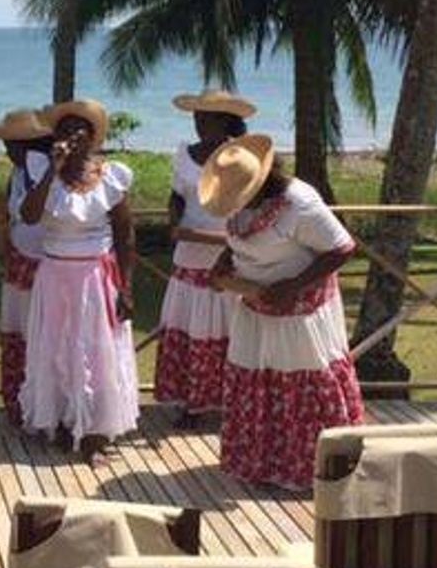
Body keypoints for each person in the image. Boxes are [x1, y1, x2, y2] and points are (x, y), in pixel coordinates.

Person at [201, 134, 364, 491]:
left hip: (297, 314)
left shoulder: (298, 203)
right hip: (255, 307)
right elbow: (237, 242)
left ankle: (311, 468)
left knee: (302, 384)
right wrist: (223, 266)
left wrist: (293, 287)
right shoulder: (237, 202)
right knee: (257, 383)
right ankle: (262, 463)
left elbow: (342, 248)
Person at [19, 99, 140, 465]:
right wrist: (51, 172)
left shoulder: (112, 175)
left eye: (80, 130)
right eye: (65, 130)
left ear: (92, 137)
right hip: (56, 276)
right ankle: (59, 420)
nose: (72, 136)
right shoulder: (43, 170)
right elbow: (28, 216)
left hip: (96, 277)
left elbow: (125, 234)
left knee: (96, 352)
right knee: (56, 348)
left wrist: (127, 286)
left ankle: (93, 432)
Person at [154, 91, 255, 426]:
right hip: (189, 257)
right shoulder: (184, 154)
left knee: (227, 333)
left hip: (228, 256)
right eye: (197, 119)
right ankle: (191, 403)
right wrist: (174, 220)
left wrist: (220, 239)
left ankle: (232, 404)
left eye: (207, 120)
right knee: (189, 330)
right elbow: (177, 196)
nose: (200, 126)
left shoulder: (240, 158)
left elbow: (248, 210)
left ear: (225, 122)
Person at [0, 108, 53, 427]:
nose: (8, 150)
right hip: (19, 265)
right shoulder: (19, 173)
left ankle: (40, 408)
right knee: (20, 337)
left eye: (12, 144)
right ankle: (23, 404)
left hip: (40, 268)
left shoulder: (41, 169)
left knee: (36, 337)